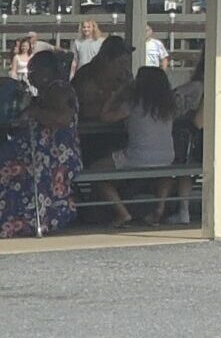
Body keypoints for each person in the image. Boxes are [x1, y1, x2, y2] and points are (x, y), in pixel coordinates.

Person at [97, 66, 182, 227]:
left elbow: (105, 116)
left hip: (138, 156)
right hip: (166, 156)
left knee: (97, 172)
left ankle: (123, 213)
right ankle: (160, 207)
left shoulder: (133, 104)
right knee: (165, 174)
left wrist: (118, 93)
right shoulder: (168, 106)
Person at [0, 76, 81, 238]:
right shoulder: (35, 101)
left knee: (18, 172)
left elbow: (63, 118)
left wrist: (36, 112)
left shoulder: (60, 89)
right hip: (33, 156)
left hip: (57, 158)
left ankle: (28, 221)